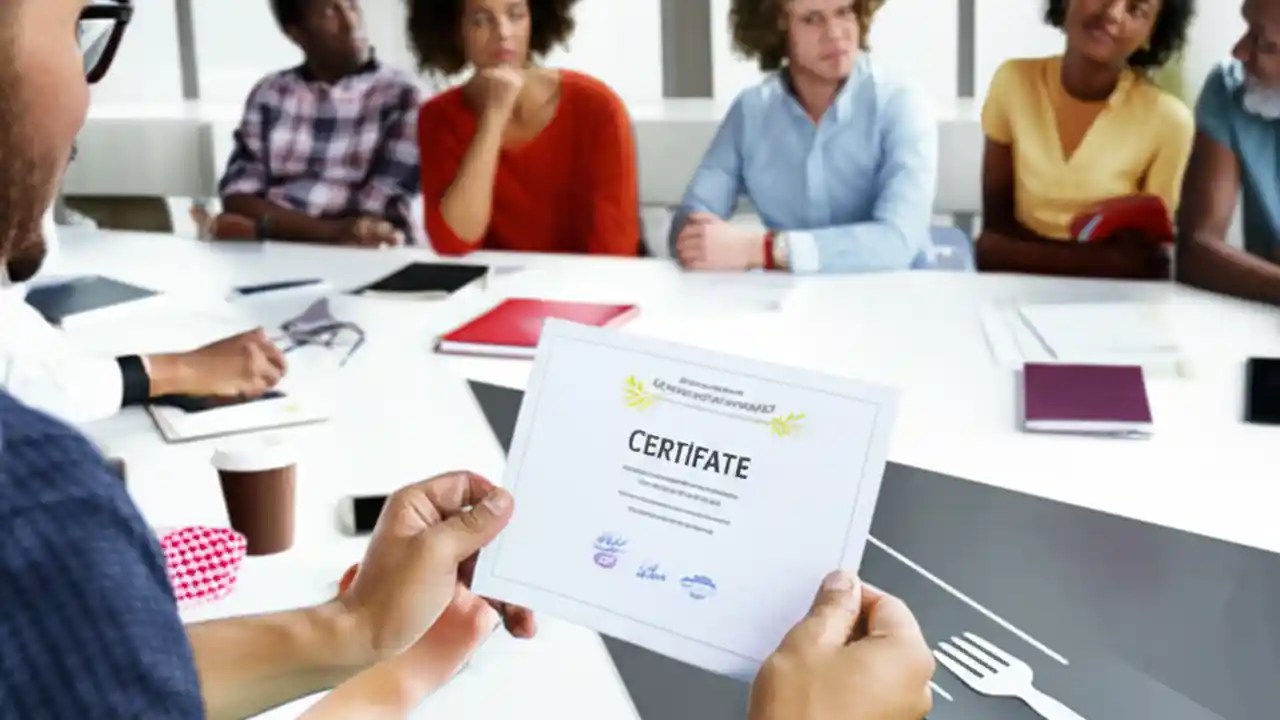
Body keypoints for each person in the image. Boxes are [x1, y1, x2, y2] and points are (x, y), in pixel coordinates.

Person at [2, 3, 934, 717]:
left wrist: (361, 636)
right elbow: (457, 235)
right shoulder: (44, 505)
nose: (89, 88)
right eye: (77, 21)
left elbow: (106, 673)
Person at [671, 0, 938, 274]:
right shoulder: (751, 112)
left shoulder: (900, 103)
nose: (835, 33)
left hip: (898, 293)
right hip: (788, 296)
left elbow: (898, 241)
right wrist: (698, 241)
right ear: (777, 28)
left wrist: (763, 250)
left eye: (844, 12)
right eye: (812, 19)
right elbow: (690, 224)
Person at [977, 0, 1196, 279]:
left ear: (1152, 33)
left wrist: (1020, 255)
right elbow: (992, 242)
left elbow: (1151, 261)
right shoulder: (1013, 81)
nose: (1112, 13)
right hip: (1017, 292)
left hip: (1112, 300)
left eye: (1135, 9)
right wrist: (1103, 260)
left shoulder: (1169, 120)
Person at [410, 0, 641, 257]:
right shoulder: (438, 118)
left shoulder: (598, 108)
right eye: (481, 21)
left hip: (585, 280)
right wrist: (494, 117)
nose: (503, 32)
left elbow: (616, 252)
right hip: (493, 282)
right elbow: (453, 244)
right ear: (454, 30)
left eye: (515, 15)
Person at [210, 0, 424, 248]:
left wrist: (268, 224)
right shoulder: (271, 93)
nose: (351, 23)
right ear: (296, 33)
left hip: (366, 256)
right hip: (277, 251)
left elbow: (375, 215)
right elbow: (238, 197)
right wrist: (330, 232)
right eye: (331, 11)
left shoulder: (404, 95)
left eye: (351, 5)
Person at [1176, 0, 1280, 306]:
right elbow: (1197, 249)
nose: (1239, 51)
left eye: (1264, 43)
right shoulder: (1229, 87)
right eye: (1247, 28)